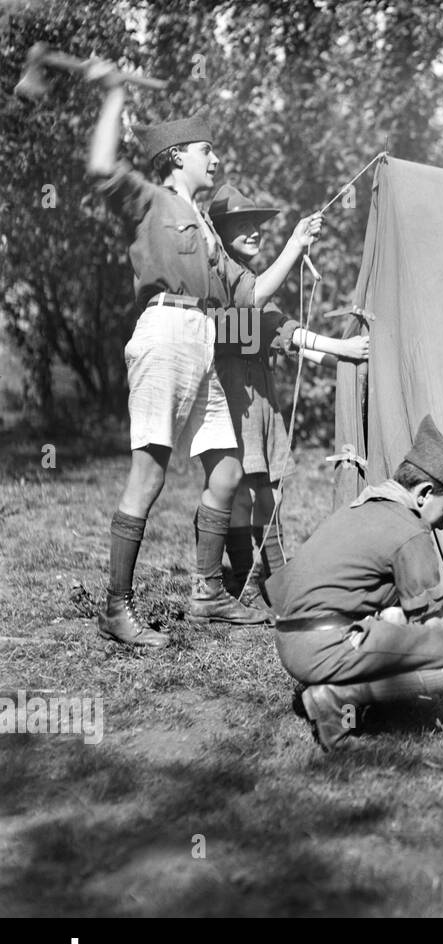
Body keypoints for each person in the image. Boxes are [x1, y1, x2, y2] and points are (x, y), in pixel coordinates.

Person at [85, 67, 320, 646]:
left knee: (229, 469)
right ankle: (117, 609)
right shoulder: (151, 200)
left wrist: (294, 244)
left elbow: (253, 293)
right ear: (174, 156)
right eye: (205, 151)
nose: (215, 160)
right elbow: (98, 166)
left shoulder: (208, 230)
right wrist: (114, 91)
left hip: (204, 339)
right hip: (165, 329)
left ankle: (208, 593)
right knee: (151, 472)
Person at [267, 415, 443, 752]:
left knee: (395, 617)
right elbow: (432, 631)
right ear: (424, 493)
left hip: (291, 640)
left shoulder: (364, 505)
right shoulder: (410, 530)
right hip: (324, 647)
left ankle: (345, 708)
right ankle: (338, 697)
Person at [207, 183, 371, 606]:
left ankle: (277, 578)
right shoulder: (220, 274)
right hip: (236, 396)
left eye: (257, 224)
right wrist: (296, 245)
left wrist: (343, 359)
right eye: (242, 225)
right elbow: (271, 327)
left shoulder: (251, 281)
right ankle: (244, 577)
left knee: (271, 492)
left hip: (263, 398)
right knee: (241, 490)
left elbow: (286, 336)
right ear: (221, 234)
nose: (254, 232)